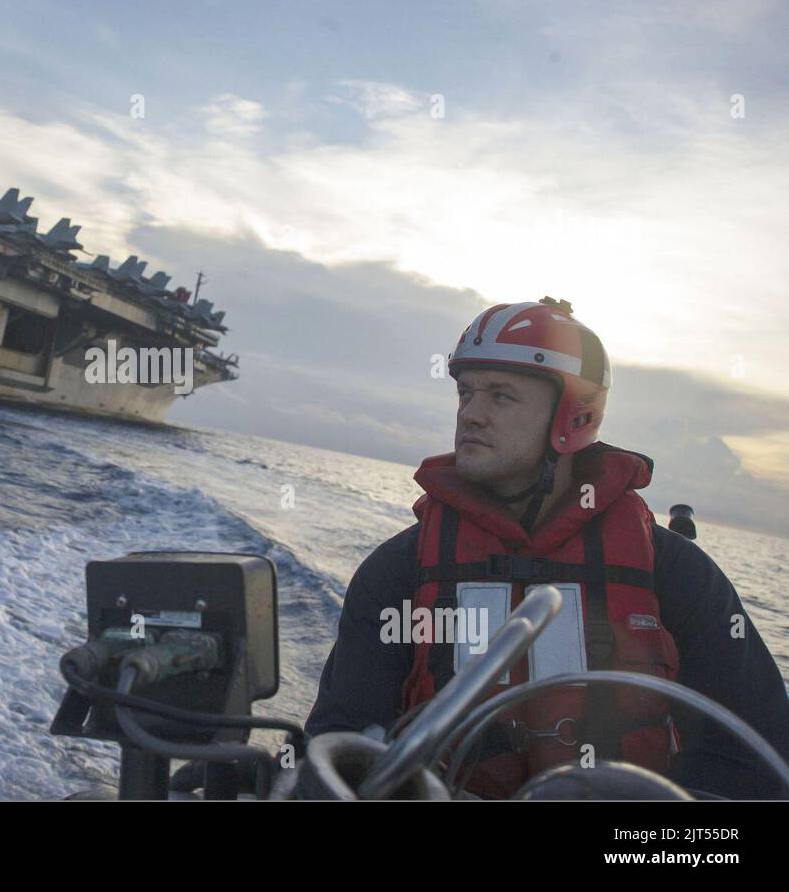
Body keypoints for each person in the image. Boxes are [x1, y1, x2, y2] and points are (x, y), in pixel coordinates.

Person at [305, 297, 789, 798]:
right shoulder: (399, 571)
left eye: (501, 397)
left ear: (573, 418)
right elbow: (343, 751)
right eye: (466, 393)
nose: (470, 414)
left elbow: (754, 761)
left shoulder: (675, 573)